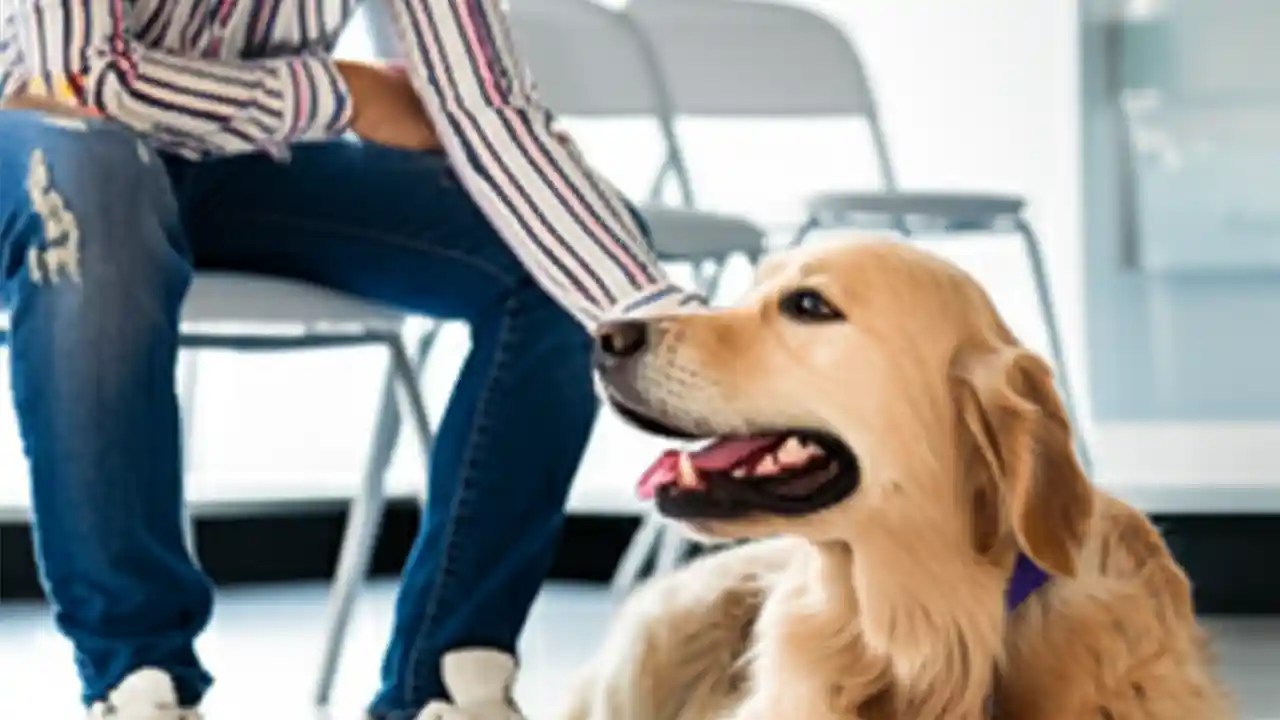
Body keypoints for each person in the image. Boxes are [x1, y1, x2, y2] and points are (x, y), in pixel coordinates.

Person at [0, 0, 698, 716]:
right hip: (40, 145)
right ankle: (139, 680)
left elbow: (485, 107)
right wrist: (341, 94)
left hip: (245, 158)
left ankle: (449, 679)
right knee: (90, 174)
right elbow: (79, 82)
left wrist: (657, 316)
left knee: (558, 258)